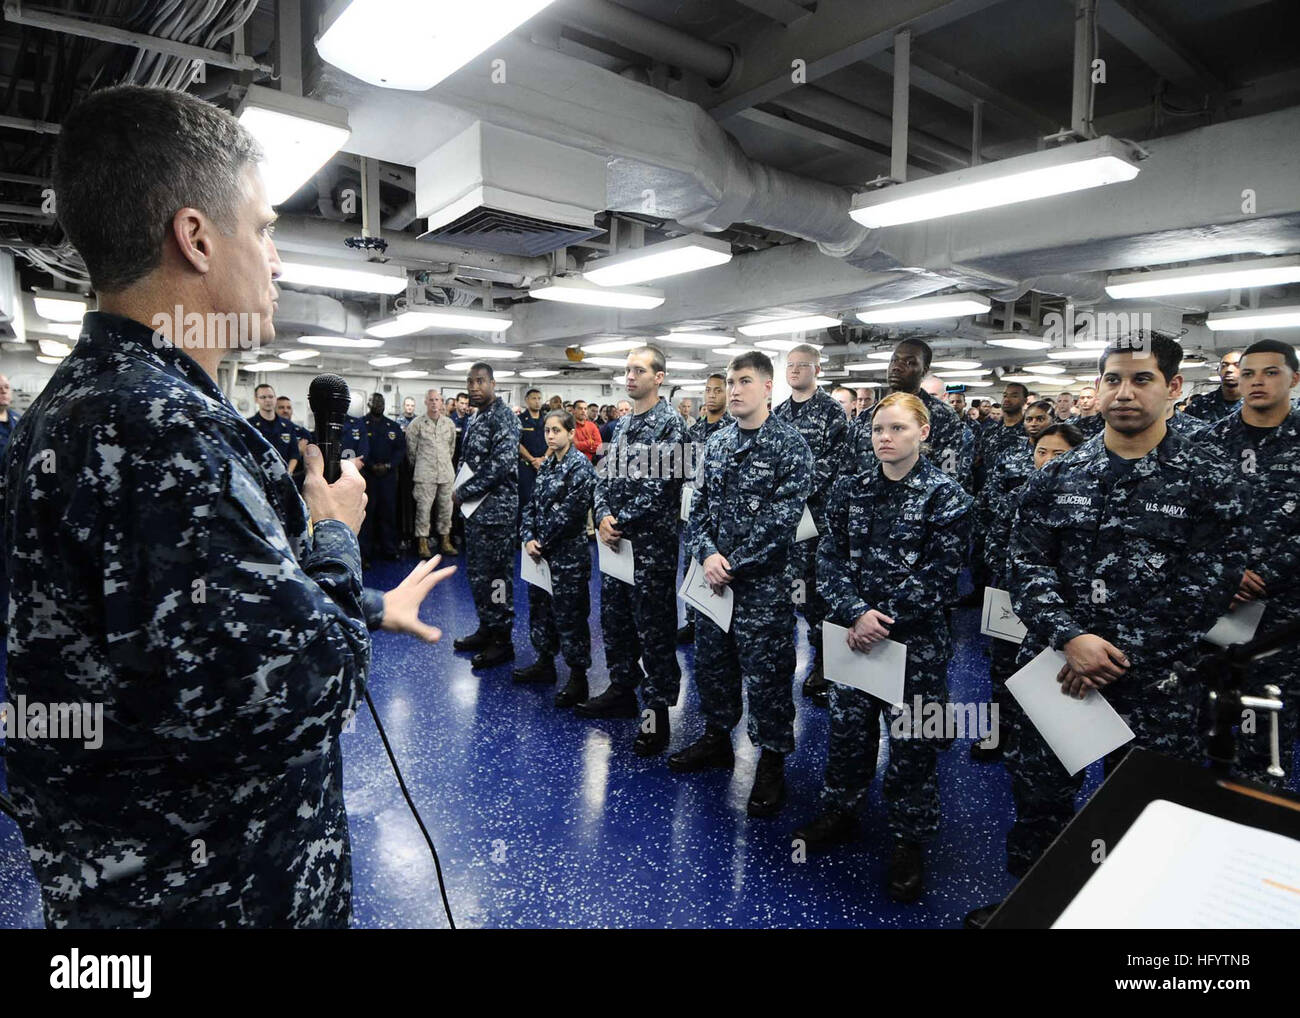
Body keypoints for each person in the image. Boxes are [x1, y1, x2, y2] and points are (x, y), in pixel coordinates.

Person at [4, 84, 455, 929]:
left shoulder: (80, 405)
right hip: (215, 894)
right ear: (197, 238)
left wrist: (362, 603)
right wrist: (335, 533)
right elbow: (303, 692)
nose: (278, 260)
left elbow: (171, 622)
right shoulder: (160, 430)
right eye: (267, 229)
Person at [1002, 334, 1251, 890]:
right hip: (1057, 670)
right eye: (1113, 379)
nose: (1125, 393)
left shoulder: (1208, 478)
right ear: (1098, 387)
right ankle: (1034, 906)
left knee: (1145, 812)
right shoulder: (1058, 473)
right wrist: (1071, 638)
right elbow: (1025, 564)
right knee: (1039, 802)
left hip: (1155, 681)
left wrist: (1112, 654)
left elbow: (1211, 584)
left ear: (1174, 388)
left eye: (1142, 380)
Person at [793, 392, 973, 903]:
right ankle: (841, 810)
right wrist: (855, 612)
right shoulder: (851, 489)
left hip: (913, 645)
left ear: (924, 433)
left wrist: (880, 618)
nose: (885, 438)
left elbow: (941, 576)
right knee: (848, 731)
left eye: (897, 429)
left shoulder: (947, 495)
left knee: (913, 742)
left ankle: (908, 839)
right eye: (877, 430)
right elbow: (827, 558)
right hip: (853, 637)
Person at [671, 351, 811, 816]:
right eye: (730, 381)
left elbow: (782, 522)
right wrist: (707, 555)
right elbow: (700, 508)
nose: (733, 390)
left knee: (768, 676)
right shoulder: (717, 444)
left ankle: (771, 761)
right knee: (713, 665)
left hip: (762, 589)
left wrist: (730, 564)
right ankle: (717, 738)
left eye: (744, 381)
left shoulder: (790, 446)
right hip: (714, 584)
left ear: (768, 387)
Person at [962, 419, 1086, 928]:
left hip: (1083, 638)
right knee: (1003, 676)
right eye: (1041, 452)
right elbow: (991, 529)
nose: (1047, 460)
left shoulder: (1083, 495)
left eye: (1058, 453)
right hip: (1018, 606)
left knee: (1109, 768)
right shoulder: (1017, 485)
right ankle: (1035, 895)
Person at [577, 345, 688, 755]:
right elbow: (602, 478)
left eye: (639, 370)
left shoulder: (672, 426)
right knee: (616, 620)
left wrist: (616, 522)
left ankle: (655, 713)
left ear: (659, 377)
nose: (630, 377)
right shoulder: (621, 427)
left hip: (650, 552)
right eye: (626, 370)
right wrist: (602, 514)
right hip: (615, 547)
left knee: (654, 630)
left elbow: (663, 491)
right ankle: (623, 689)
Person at [1199, 338, 1300, 790]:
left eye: (1271, 372)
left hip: (1283, 612)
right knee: (1206, 714)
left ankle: (1258, 819)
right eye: (1248, 372)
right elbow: (1187, 517)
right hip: (1213, 602)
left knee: (1271, 719)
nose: (1256, 380)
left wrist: (1267, 575)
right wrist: (1227, 574)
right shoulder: (1205, 442)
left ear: (1294, 379)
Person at [773, 345, 849, 706]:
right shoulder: (778, 413)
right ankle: (780, 657)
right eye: (790, 365)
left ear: (817, 369)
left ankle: (822, 661)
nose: (794, 370)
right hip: (785, 523)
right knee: (785, 592)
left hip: (817, 522)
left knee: (817, 595)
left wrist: (792, 488)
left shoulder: (832, 412)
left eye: (802, 365)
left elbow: (834, 462)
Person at [514, 409, 597, 707]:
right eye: (547, 431)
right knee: (541, 610)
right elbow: (531, 506)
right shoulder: (547, 466)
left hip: (567, 558)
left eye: (556, 431)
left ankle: (578, 677)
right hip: (540, 555)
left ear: (571, 433)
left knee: (571, 616)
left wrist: (542, 541)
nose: (550, 436)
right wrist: (527, 537)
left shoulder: (581, 468)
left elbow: (571, 514)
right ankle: (544, 663)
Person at [452, 362, 521, 670]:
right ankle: (486, 627)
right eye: (470, 382)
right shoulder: (477, 417)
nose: (474, 387)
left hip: (497, 514)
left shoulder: (504, 418)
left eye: (480, 381)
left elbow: (500, 466)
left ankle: (502, 640)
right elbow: (469, 460)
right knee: (478, 575)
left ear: (494, 383)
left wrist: (463, 491)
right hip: (476, 513)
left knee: (496, 578)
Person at [844, 338, 974, 493]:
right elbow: (847, 470)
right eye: (894, 360)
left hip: (918, 508)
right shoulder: (867, 417)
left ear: (924, 371)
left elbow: (951, 474)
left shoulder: (943, 418)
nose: (897, 367)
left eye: (909, 363)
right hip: (868, 507)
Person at [676, 372, 730, 645]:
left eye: (717, 390)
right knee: (691, 565)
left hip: (720, 514)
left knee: (716, 568)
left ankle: (713, 618)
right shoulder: (694, 431)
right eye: (708, 390)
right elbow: (683, 468)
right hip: (693, 510)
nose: (711, 395)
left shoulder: (733, 428)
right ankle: (692, 620)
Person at [405, 389, 458, 558]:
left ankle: (445, 540)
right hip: (425, 473)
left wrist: (443, 462)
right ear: (426, 402)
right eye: (431, 400)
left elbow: (451, 448)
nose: (434, 403)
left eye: (437, 399)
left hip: (446, 473)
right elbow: (411, 451)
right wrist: (422, 464)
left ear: (442, 402)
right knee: (423, 509)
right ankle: (422, 543)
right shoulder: (416, 424)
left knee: (446, 508)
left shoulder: (449, 424)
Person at [359, 392, 406, 564]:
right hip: (368, 477)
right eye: (375, 402)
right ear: (369, 404)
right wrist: (371, 465)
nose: (379, 405)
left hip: (388, 477)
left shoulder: (392, 426)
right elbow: (360, 448)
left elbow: (400, 449)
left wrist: (389, 466)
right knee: (367, 515)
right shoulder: (361, 425)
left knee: (388, 514)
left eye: (381, 402)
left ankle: (389, 550)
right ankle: (365, 554)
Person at [0, 372, 20, 634]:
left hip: (11, 510)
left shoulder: (19, 421)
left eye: (6, 386)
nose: (4, 390)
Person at [246, 383, 299, 473]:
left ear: (275, 399)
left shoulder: (288, 425)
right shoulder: (249, 425)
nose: (268, 400)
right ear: (256, 400)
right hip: (260, 476)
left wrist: (288, 473)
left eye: (271, 397)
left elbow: (294, 454)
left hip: (283, 475)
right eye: (263, 397)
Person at [1183, 350, 1242, 424]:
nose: (1229, 369)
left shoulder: (1254, 404)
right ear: (1218, 370)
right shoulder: (1199, 405)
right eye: (1224, 365)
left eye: (1237, 365)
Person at [517, 388, 548, 516]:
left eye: (539, 398)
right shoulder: (519, 419)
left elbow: (554, 441)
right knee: (525, 500)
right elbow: (516, 442)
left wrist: (543, 458)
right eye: (534, 398)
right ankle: (524, 534)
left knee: (545, 499)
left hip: (545, 465)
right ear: (526, 400)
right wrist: (532, 460)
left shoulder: (547, 419)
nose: (537, 401)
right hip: (526, 466)